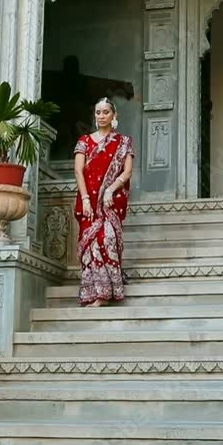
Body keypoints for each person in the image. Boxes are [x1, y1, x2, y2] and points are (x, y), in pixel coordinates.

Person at [73, 97, 135, 307]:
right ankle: (95, 293)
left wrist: (110, 189)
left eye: (106, 112)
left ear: (114, 115)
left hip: (111, 202)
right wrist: (86, 200)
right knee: (91, 245)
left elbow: (127, 171)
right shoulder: (84, 141)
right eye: (98, 112)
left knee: (107, 240)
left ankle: (109, 291)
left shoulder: (124, 142)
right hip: (88, 200)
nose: (101, 116)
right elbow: (79, 171)